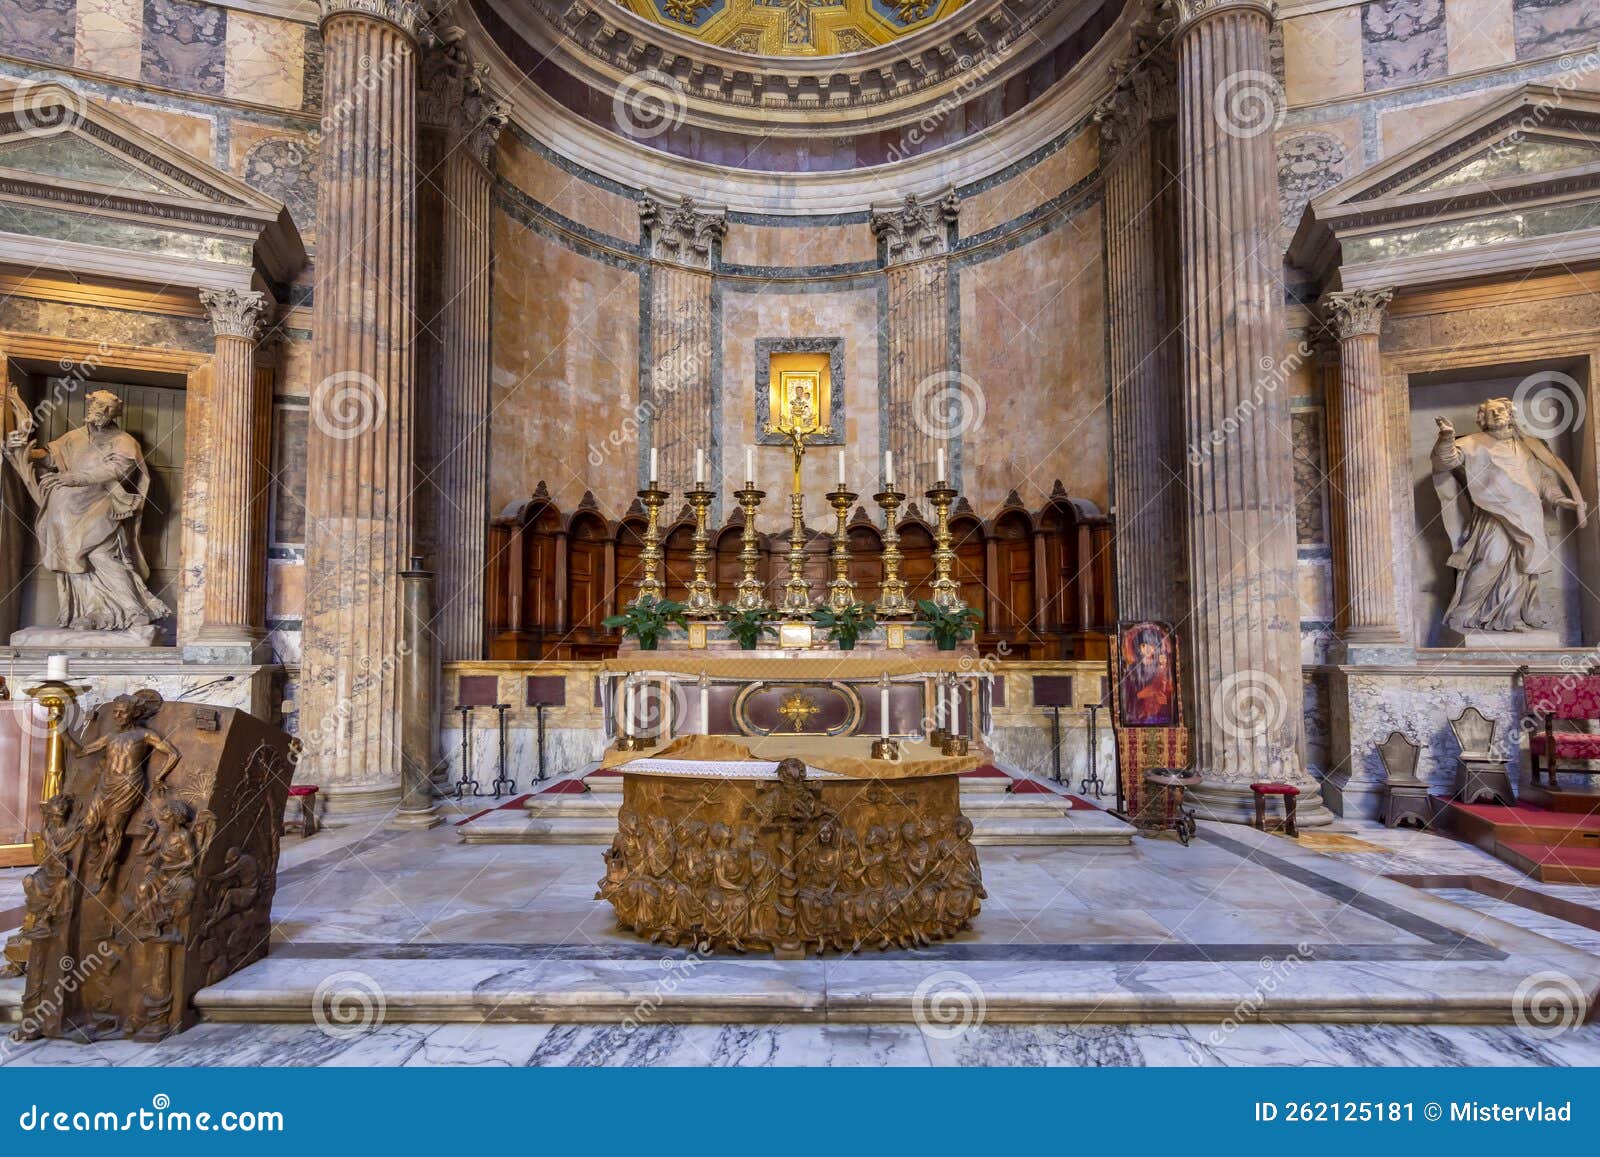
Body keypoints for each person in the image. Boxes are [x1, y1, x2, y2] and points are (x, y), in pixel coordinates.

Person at [3, 389, 169, 631]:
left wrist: (78, 478)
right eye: (94, 405)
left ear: (115, 413)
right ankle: (93, 611)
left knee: (101, 554)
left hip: (101, 504)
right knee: (72, 556)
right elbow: (48, 457)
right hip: (66, 512)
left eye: (105, 407)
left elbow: (118, 470)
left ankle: (134, 609)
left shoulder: (123, 442)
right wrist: (22, 447)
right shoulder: (75, 436)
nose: (98, 410)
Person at [1432, 398, 1587, 633]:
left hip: (1527, 513)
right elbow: (1446, 461)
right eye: (1491, 412)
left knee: (1522, 566)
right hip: (1494, 513)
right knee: (1491, 560)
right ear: (1482, 419)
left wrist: (1558, 498)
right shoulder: (1472, 443)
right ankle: (1464, 613)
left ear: (1510, 414)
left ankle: (1509, 617)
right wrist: (1446, 437)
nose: (1496, 415)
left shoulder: (1527, 446)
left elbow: (1542, 479)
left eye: (1501, 410)